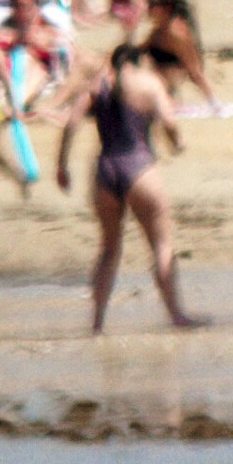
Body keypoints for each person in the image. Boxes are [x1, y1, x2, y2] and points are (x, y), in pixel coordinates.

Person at [70, 18, 203, 335]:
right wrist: (178, 143)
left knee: (109, 249)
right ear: (136, 61)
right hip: (140, 168)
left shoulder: (97, 87)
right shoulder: (148, 84)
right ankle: (177, 316)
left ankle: (97, 322)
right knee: (161, 244)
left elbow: (71, 123)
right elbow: (170, 124)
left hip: (105, 170)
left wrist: (62, 165)